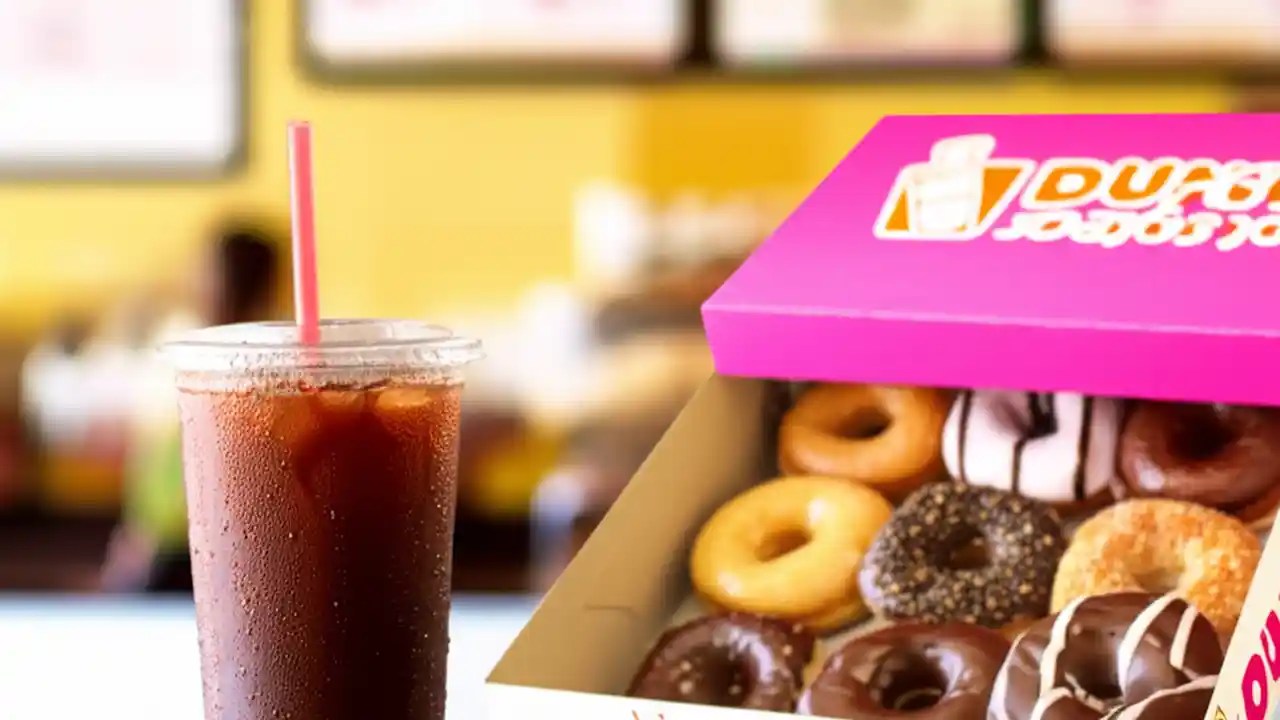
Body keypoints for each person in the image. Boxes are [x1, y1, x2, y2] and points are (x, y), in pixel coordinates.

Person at [101, 218, 283, 593]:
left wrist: (143, 532)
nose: (196, 281)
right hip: (184, 545)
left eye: (207, 273)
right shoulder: (188, 350)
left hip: (198, 548)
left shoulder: (249, 362)